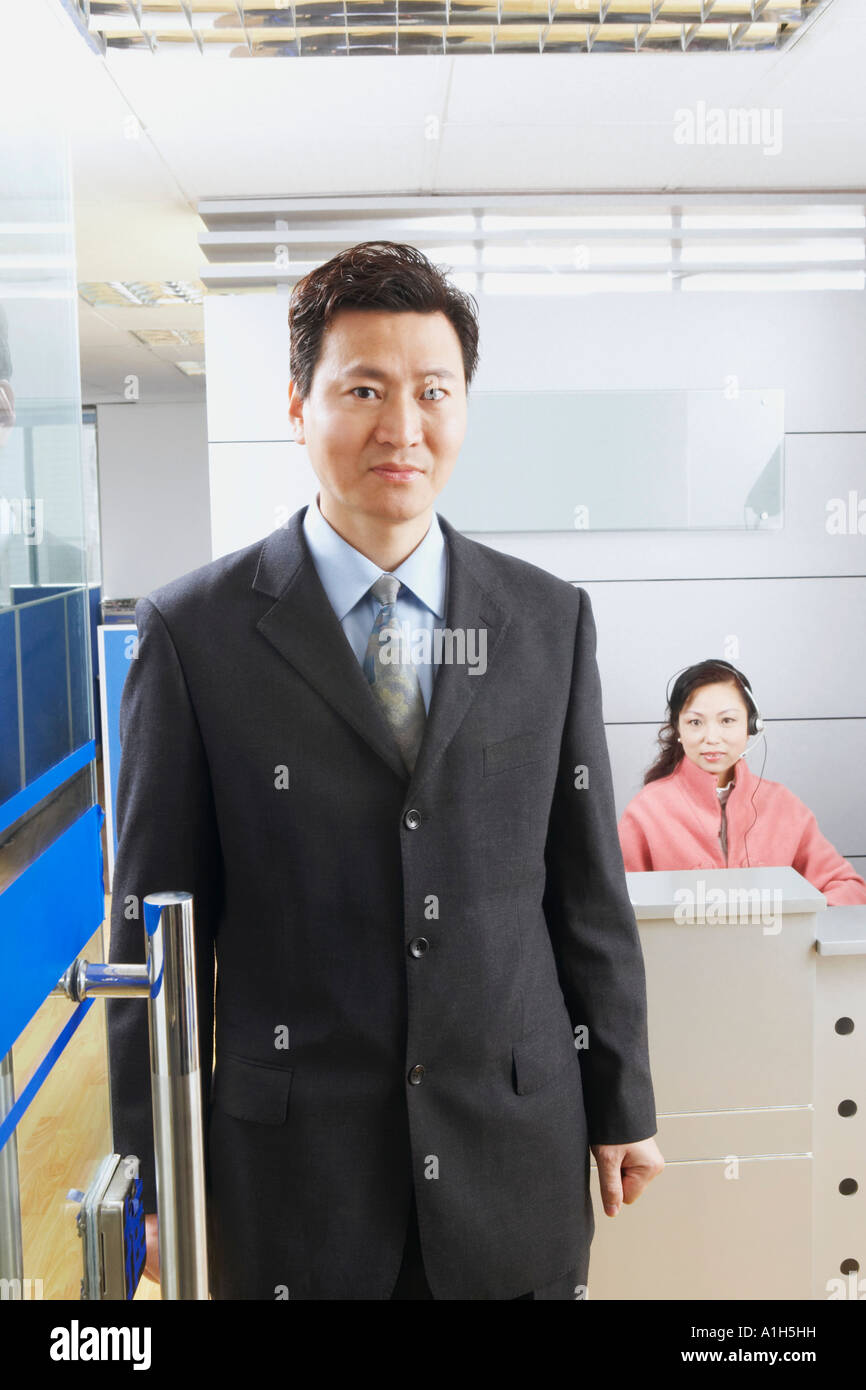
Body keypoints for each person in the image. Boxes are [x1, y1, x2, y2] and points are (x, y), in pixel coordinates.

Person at [107, 239, 663, 1301]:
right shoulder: (195, 634)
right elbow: (156, 935)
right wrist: (153, 1173)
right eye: (361, 388)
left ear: (462, 407)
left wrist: (620, 1095)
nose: (399, 428)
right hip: (291, 1181)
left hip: (511, 1152)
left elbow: (586, 893)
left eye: (431, 391)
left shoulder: (547, 621)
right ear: (297, 404)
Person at [618, 658, 866, 906]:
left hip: (773, 945)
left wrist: (796, 924)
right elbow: (616, 906)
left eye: (727, 720)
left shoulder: (782, 805)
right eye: (695, 722)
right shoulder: (646, 811)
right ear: (678, 729)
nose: (712, 738)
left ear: (751, 725)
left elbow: (849, 888)